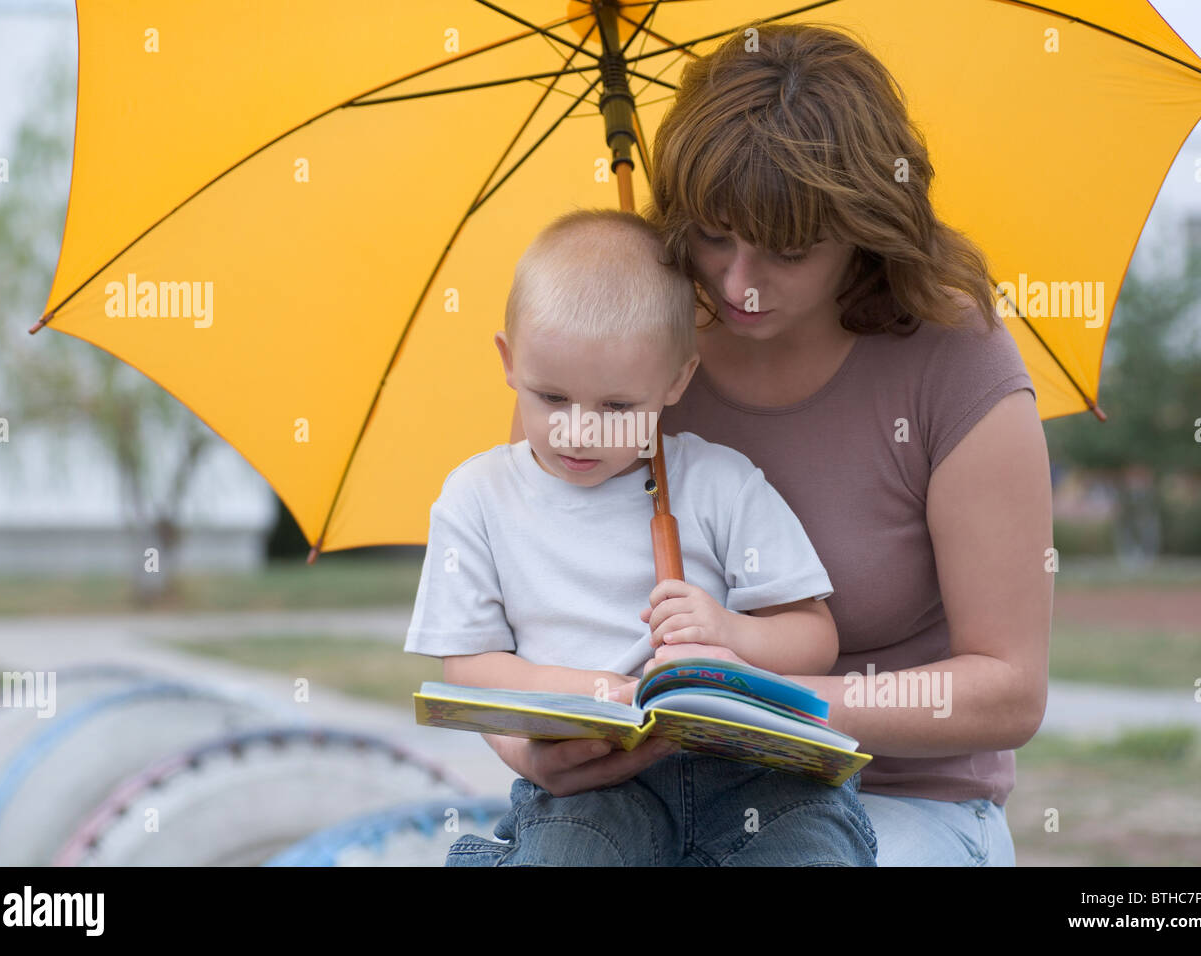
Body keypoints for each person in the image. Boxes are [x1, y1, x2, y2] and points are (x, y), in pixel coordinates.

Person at [494, 21, 1053, 866]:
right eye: (716, 235)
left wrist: (759, 700)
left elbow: (1009, 690)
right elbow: (508, 622)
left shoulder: (954, 358)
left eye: (789, 250)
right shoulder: (616, 345)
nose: (739, 285)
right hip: (644, 796)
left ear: (863, 227)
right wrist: (528, 747)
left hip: (904, 798)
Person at [404, 207, 877, 866]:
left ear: (676, 380)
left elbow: (814, 634)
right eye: (552, 398)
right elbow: (469, 668)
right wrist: (598, 692)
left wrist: (732, 633)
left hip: (748, 777)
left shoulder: (719, 482)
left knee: (812, 847)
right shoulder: (478, 497)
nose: (580, 431)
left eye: (618, 406)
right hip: (592, 784)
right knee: (566, 855)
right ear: (509, 363)